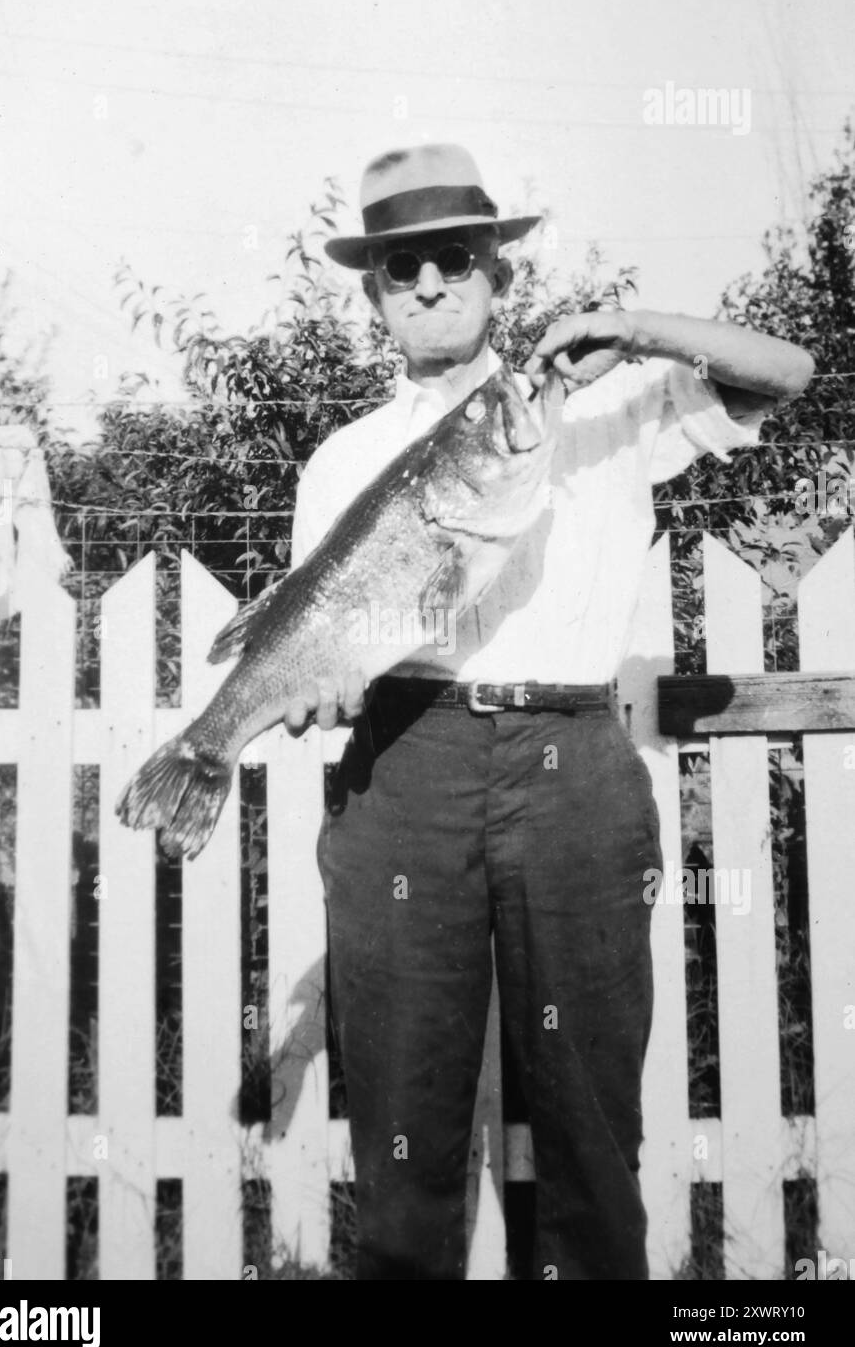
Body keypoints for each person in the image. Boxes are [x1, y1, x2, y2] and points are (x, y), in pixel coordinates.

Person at [287, 143, 814, 1280]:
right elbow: (322, 645)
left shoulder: (603, 406)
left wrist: (633, 326)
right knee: (403, 1137)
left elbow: (791, 370)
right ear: (374, 291)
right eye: (401, 265)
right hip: (404, 771)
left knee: (588, 1133)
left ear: (499, 272)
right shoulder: (342, 463)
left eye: (455, 257)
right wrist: (315, 684)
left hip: (573, 766)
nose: (431, 282)